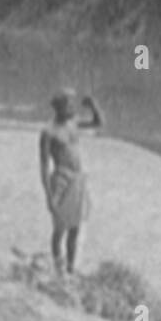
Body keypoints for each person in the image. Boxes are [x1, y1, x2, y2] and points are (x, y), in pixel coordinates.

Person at [39, 88, 103, 277]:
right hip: (61, 179)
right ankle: (59, 267)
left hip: (77, 179)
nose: (73, 108)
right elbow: (43, 165)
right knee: (60, 228)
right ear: (59, 108)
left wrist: (93, 106)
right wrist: (48, 196)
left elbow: (98, 123)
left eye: (73, 104)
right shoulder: (48, 132)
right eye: (69, 105)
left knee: (75, 227)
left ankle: (70, 268)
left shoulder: (72, 124)